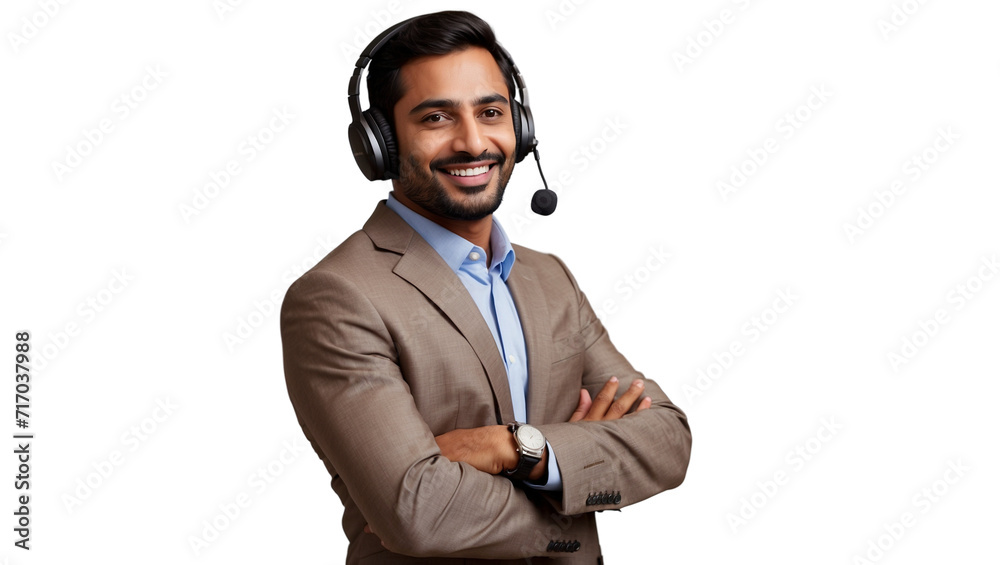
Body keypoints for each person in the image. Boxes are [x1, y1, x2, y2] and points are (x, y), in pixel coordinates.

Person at [280, 10, 691, 564]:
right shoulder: (337, 297)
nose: (473, 142)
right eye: (436, 118)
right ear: (380, 143)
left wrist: (511, 448)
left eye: (491, 112)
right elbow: (417, 513)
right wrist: (574, 505)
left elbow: (667, 442)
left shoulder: (550, 279)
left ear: (519, 129)